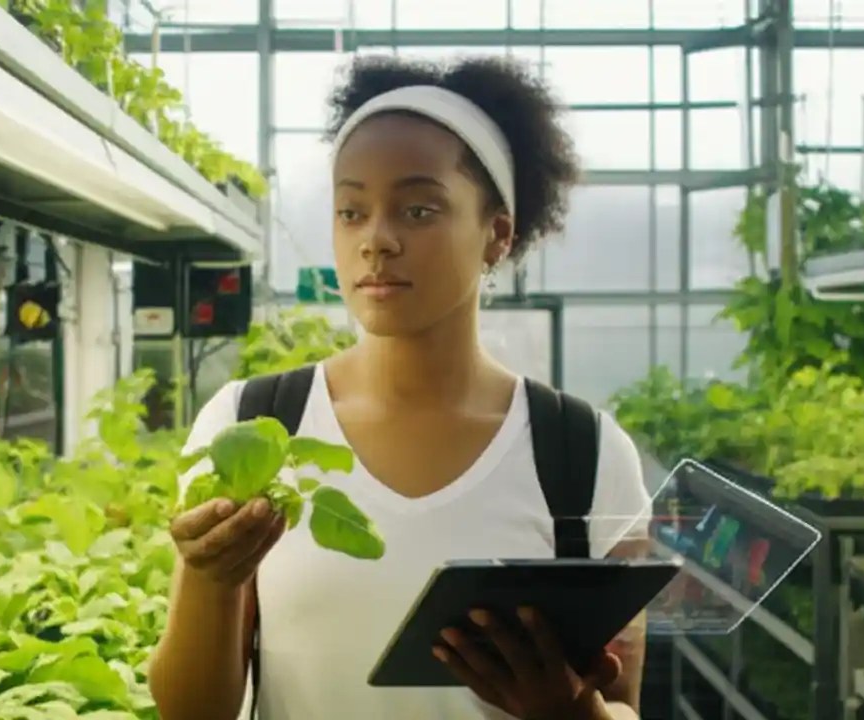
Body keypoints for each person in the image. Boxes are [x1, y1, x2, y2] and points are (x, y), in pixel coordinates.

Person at [148, 54, 653, 720]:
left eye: (418, 210)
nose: (376, 241)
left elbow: (623, 703)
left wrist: (570, 712)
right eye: (351, 212)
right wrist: (211, 585)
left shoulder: (582, 454)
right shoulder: (254, 428)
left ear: (496, 234)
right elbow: (193, 713)